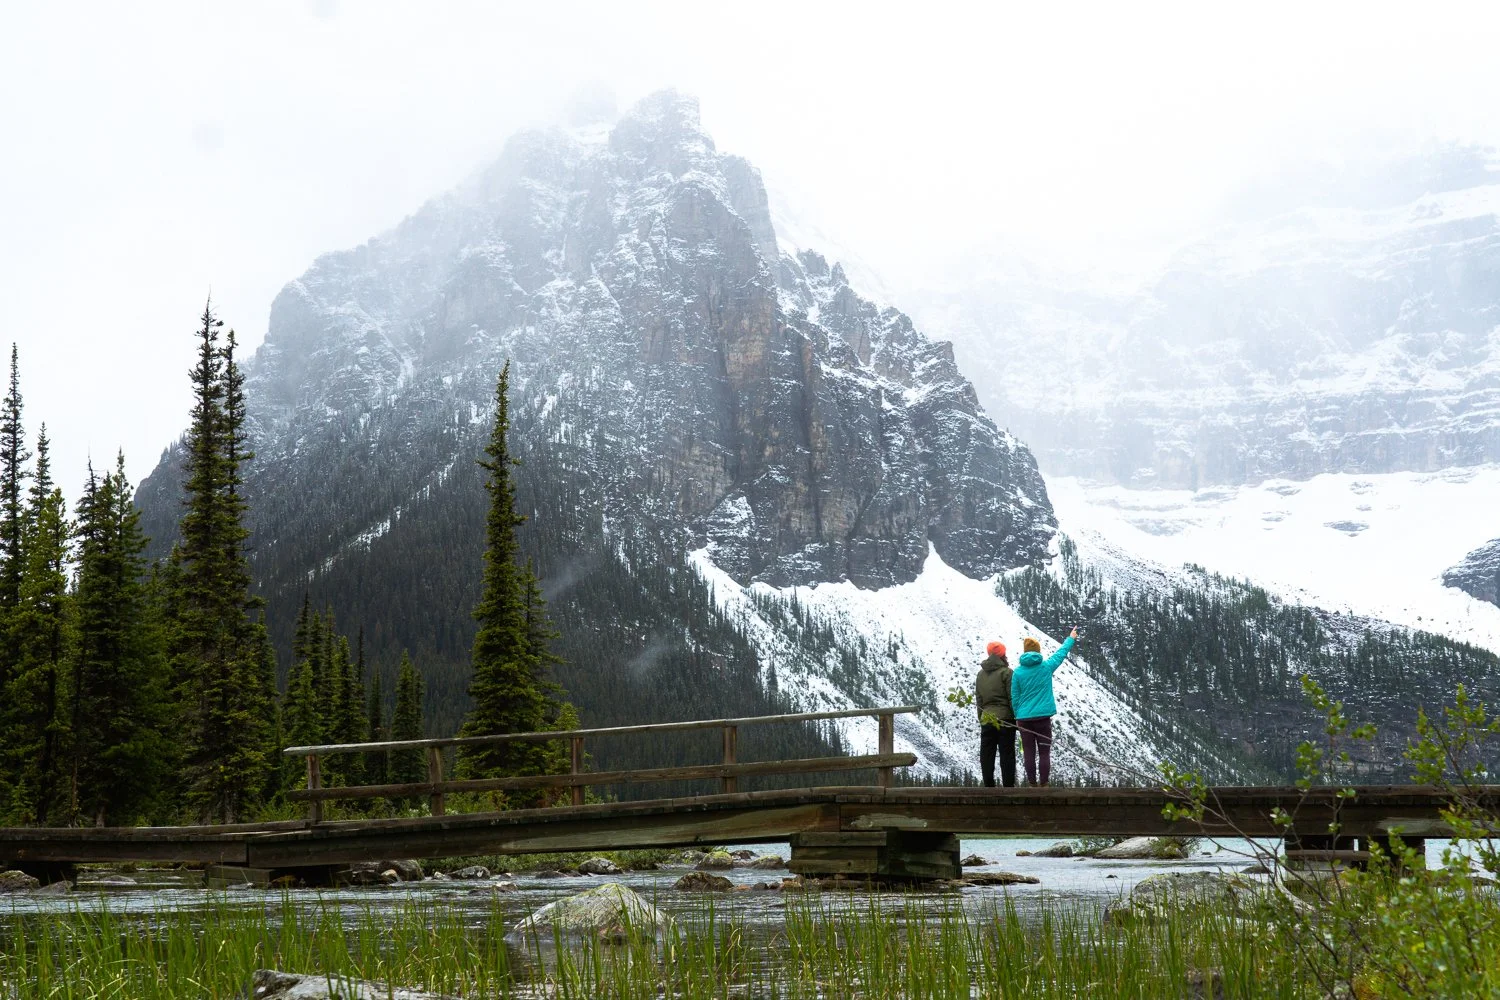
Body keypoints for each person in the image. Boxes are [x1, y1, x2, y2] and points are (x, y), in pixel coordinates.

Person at [1009, 629, 1077, 787]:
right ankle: (1044, 784)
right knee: (1044, 752)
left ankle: (1032, 784)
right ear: (1038, 651)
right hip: (1043, 718)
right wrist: (1071, 638)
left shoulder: (1017, 673)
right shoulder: (1046, 667)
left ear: (1025, 652)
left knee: (1028, 752)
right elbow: (1060, 654)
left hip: (1024, 719)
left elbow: (1015, 697)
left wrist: (1018, 716)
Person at [974, 640, 1017, 787]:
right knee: (1007, 753)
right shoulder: (1007, 672)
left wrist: (981, 717)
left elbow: (979, 699)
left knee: (987, 753)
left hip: (987, 718)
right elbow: (1012, 697)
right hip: (1005, 718)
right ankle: (1008, 788)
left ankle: (988, 786)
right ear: (1003, 654)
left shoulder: (980, 674)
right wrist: (1016, 718)